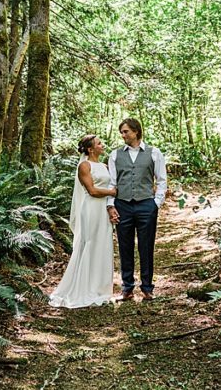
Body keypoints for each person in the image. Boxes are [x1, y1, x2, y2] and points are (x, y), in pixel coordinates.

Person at [49, 135, 117, 308]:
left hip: (104, 209)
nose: (103, 145)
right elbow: (92, 191)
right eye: (99, 143)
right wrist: (113, 193)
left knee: (103, 244)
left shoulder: (104, 165)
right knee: (90, 243)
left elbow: (111, 184)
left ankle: (100, 288)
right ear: (90, 149)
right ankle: (84, 287)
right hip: (91, 209)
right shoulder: (84, 166)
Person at [106, 118, 167, 301]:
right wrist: (110, 205)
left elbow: (162, 180)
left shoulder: (154, 153)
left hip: (146, 205)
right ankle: (127, 287)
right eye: (122, 132)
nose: (123, 135)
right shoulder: (115, 155)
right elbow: (112, 183)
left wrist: (156, 203)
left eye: (126, 132)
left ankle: (147, 287)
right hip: (122, 205)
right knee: (125, 247)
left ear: (136, 132)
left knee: (146, 246)